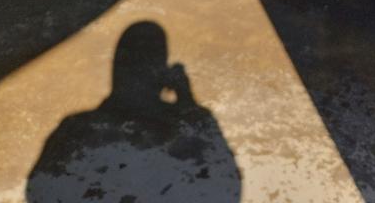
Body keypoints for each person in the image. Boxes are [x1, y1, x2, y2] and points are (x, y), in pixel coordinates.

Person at [26, 21, 240, 202]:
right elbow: (226, 186)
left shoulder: (77, 127)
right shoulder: (186, 128)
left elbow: (38, 190)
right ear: (161, 73)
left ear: (116, 67)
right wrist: (187, 101)